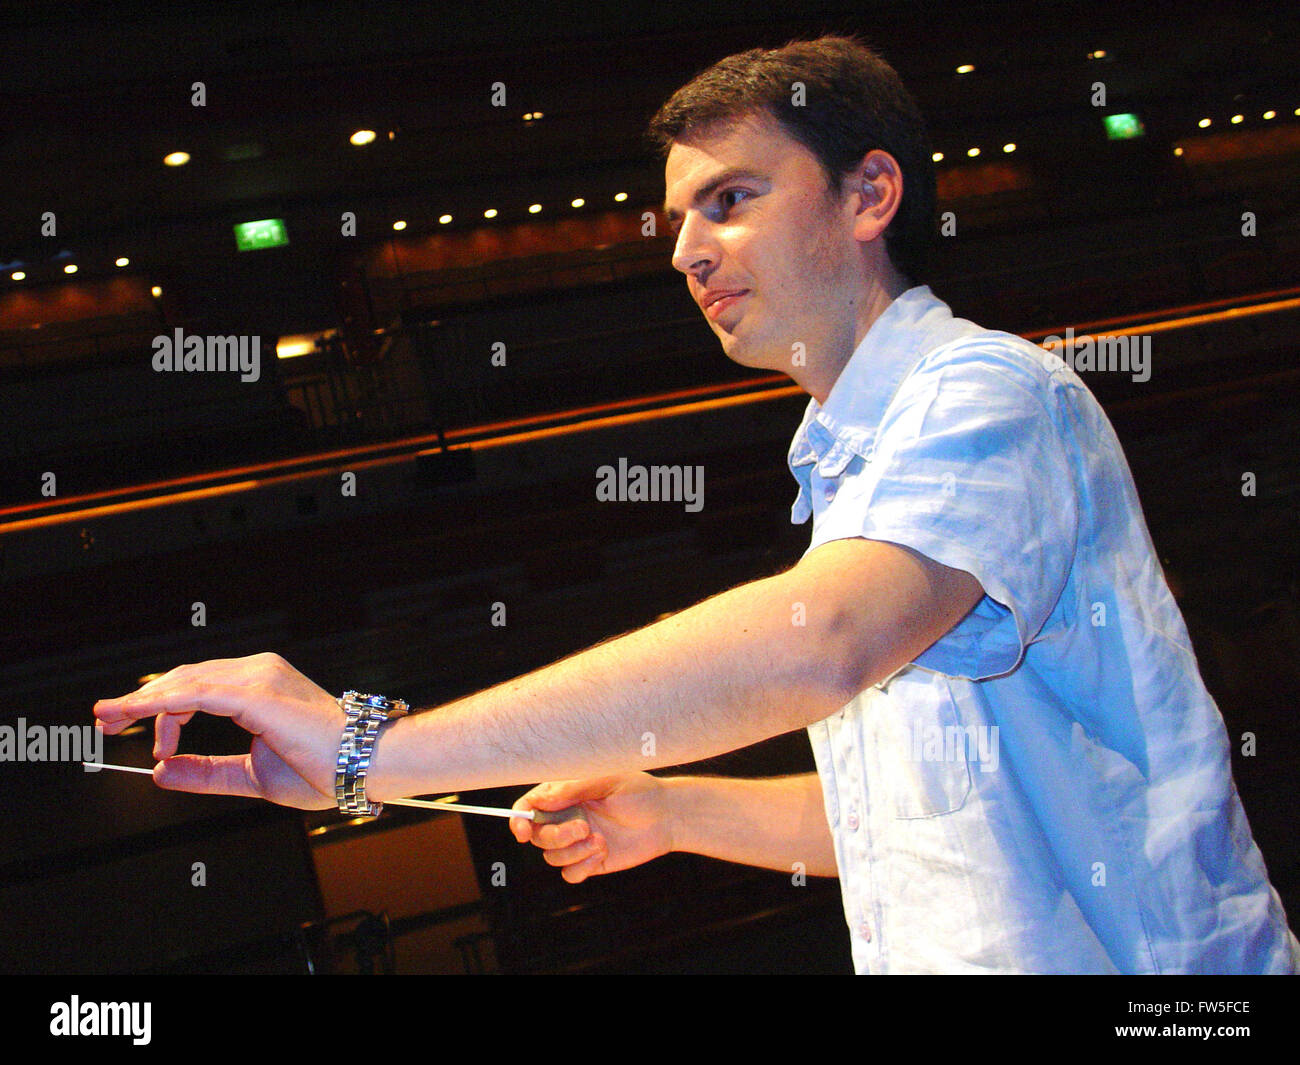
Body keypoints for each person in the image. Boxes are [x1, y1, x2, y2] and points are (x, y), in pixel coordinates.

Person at [94, 36, 1299, 974]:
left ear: (869, 194)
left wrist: (378, 752)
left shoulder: (983, 391)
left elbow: (815, 648)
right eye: (677, 219)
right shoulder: (856, 465)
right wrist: (666, 812)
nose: (684, 250)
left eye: (729, 200)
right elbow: (911, 822)